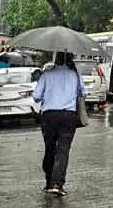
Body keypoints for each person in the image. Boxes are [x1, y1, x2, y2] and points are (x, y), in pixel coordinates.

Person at [33, 52, 86, 196]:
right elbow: (83, 93)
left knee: (50, 148)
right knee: (63, 150)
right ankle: (58, 183)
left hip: (49, 116)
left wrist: (49, 94)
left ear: (56, 60)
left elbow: (36, 97)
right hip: (68, 116)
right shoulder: (75, 75)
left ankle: (49, 181)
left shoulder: (46, 75)